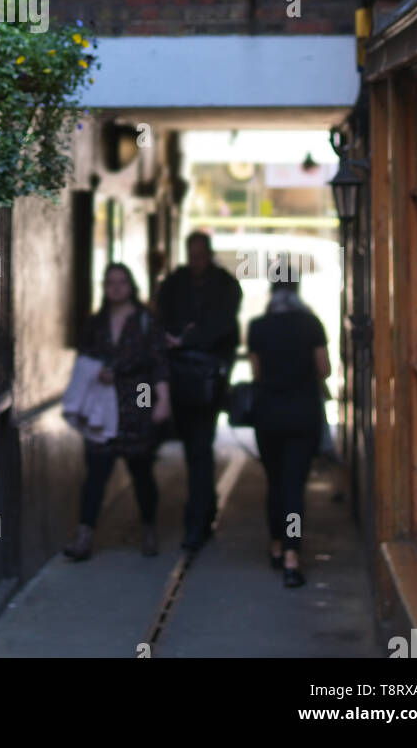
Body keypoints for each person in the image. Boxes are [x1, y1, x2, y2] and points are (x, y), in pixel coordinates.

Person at [63, 263, 171, 561]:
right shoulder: (95, 323)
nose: (116, 287)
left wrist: (162, 400)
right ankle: (84, 536)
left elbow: (159, 363)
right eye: (110, 282)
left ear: (131, 285)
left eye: (121, 282)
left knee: (141, 472)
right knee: (96, 473)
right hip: (102, 405)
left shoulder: (146, 320)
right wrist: (96, 372)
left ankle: (148, 528)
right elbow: (83, 359)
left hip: (137, 400)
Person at [156, 231, 242, 552]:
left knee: (200, 448)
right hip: (179, 378)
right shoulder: (176, 282)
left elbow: (223, 326)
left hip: (208, 381)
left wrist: (188, 339)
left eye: (200, 257)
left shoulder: (225, 285)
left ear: (209, 254)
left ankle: (197, 522)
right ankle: (204, 510)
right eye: (191, 257)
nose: (196, 263)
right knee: (194, 450)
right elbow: (161, 317)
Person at [247, 276, 331, 588]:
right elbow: (323, 369)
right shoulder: (311, 324)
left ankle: (276, 546)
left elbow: (256, 372)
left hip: (268, 415)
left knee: (275, 483)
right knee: (294, 487)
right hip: (302, 415)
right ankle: (292, 555)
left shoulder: (258, 326)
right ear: (297, 291)